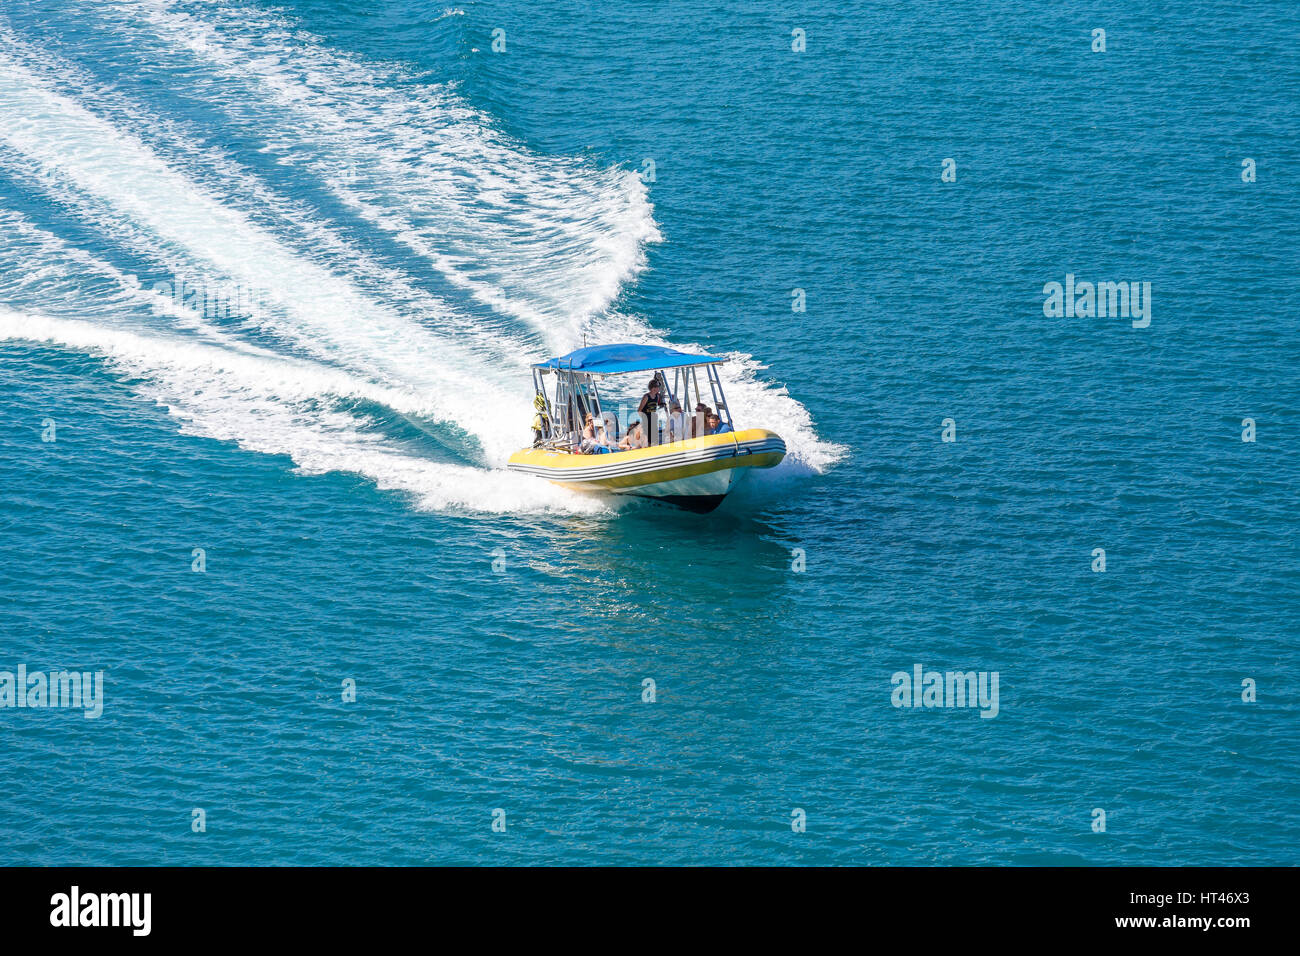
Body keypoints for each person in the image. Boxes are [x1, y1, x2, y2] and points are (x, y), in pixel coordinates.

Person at [637, 377, 664, 446]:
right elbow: (639, 410)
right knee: (648, 438)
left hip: (653, 419)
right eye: (658, 387)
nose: (659, 388)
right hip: (646, 419)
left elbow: (656, 406)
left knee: (654, 438)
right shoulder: (646, 397)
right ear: (653, 388)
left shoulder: (657, 396)